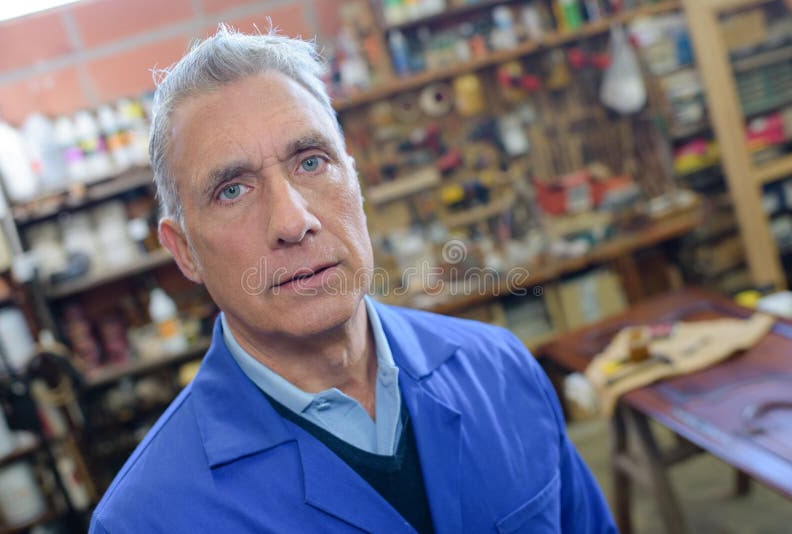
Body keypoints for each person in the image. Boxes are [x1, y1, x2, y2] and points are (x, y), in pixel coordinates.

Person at [90, 26, 617, 533]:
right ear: (185, 252)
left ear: (355, 179)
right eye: (233, 190)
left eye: (311, 161)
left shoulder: (499, 370)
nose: (294, 222)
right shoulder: (147, 519)